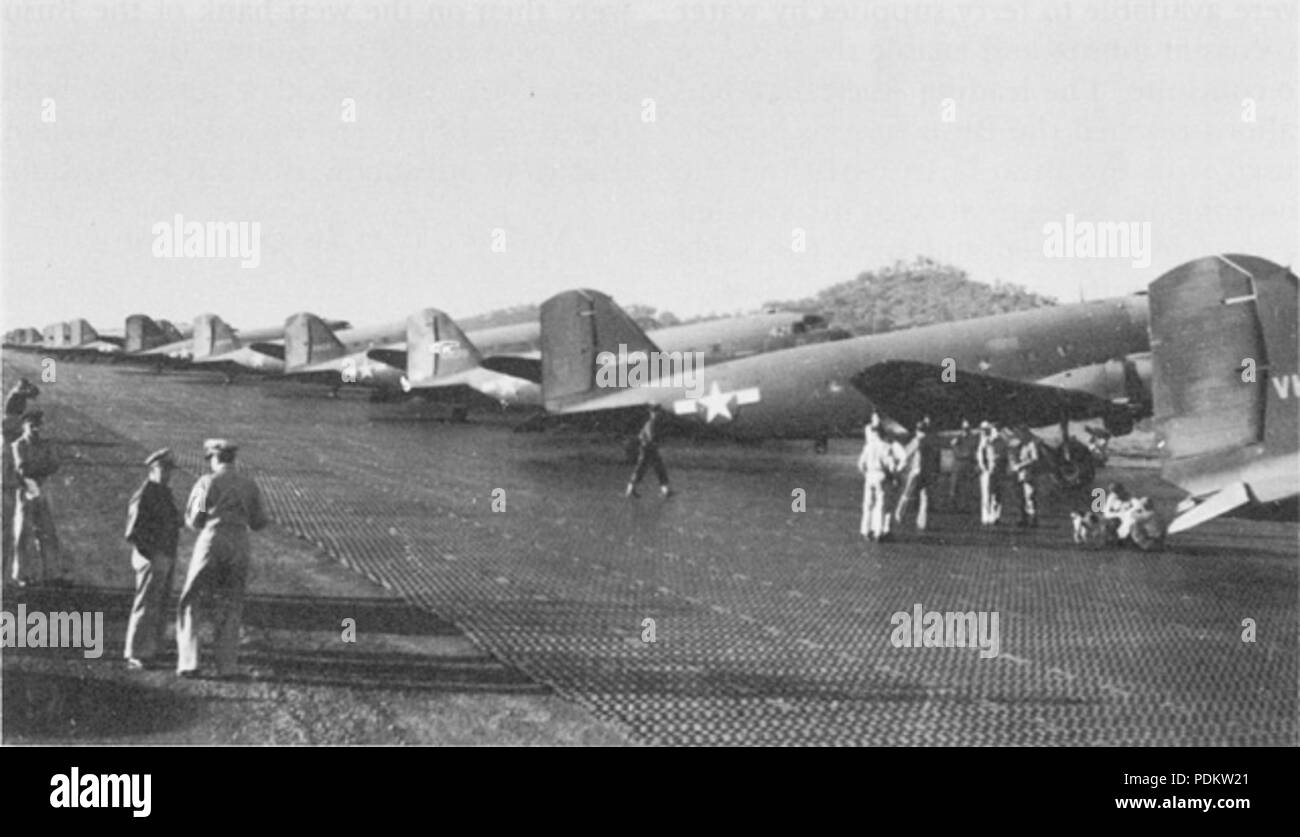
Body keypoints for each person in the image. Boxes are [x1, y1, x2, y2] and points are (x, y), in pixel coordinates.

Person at [176, 439, 268, 679]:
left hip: (213, 540)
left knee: (191, 600)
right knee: (230, 602)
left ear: (214, 458)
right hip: (239, 541)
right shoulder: (249, 485)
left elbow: (196, 520)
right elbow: (259, 523)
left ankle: (189, 661)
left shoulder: (207, 482)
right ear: (232, 458)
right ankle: (227, 665)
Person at [124, 448, 183, 669]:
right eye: (163, 469)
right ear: (153, 468)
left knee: (159, 603)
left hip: (165, 554)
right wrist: (152, 556)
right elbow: (133, 532)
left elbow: (177, 520)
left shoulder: (164, 492)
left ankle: (153, 648)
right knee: (146, 604)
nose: (167, 474)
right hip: (151, 556)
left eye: (169, 470)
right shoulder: (146, 493)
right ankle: (137, 652)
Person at [10, 410, 68, 586]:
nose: (36, 429)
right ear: (24, 426)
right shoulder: (19, 445)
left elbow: (54, 465)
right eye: (32, 425)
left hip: (41, 488)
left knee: (48, 532)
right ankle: (23, 575)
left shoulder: (45, 444)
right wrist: (41, 469)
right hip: (26, 489)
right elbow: (23, 469)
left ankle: (52, 574)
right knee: (23, 533)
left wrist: (38, 470)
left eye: (38, 425)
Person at [895, 419, 941, 531]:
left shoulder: (917, 441)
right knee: (925, 497)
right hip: (927, 472)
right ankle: (922, 522)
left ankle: (899, 515)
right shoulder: (932, 441)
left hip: (916, 472)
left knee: (907, 494)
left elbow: (905, 453)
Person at [857, 413, 896, 542]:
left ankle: (865, 530)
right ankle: (878, 532)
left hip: (870, 475)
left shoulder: (868, 446)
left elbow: (860, 463)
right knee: (880, 504)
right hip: (881, 475)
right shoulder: (886, 446)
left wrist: (865, 473)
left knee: (867, 503)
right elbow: (891, 466)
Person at [626, 405, 672, 498]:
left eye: (658, 412)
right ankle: (630, 489)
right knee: (643, 469)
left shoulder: (654, 423)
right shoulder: (651, 424)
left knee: (657, 469)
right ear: (652, 413)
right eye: (656, 412)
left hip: (650, 449)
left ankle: (665, 491)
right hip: (647, 449)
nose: (658, 414)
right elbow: (651, 437)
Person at [1008, 428, 1042, 527]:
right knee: (1019, 497)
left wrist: (1021, 465)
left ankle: (1033, 519)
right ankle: (1023, 518)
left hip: (1028, 474)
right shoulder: (1018, 445)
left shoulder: (1031, 445)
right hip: (1018, 475)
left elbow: (1035, 459)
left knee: (1030, 497)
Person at [976, 421, 1008, 526]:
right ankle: (986, 517)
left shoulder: (1002, 441)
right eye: (995, 430)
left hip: (999, 470)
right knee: (986, 494)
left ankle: (996, 517)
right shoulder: (986, 440)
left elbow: (1005, 456)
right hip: (988, 470)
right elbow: (980, 454)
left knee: (997, 495)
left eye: (999, 430)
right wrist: (982, 466)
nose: (997, 432)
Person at [947, 418, 979, 512]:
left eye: (967, 428)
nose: (965, 429)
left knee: (967, 486)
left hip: (967, 464)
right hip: (958, 464)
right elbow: (955, 449)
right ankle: (953, 506)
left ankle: (966, 506)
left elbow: (971, 451)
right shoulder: (958, 438)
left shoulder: (972, 438)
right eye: (964, 427)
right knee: (954, 486)